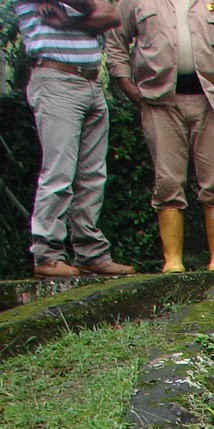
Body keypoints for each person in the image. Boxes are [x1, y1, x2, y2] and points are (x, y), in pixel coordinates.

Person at [104, 0, 214, 272]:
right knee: (167, 180)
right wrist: (125, 81)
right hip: (160, 101)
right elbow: (116, 39)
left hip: (212, 101)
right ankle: (172, 260)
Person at [16, 0, 136, 278]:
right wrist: (87, 12)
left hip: (92, 82)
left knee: (93, 175)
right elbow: (86, 4)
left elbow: (111, 15)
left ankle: (90, 253)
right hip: (56, 78)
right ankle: (47, 255)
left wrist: (67, 21)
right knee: (59, 172)